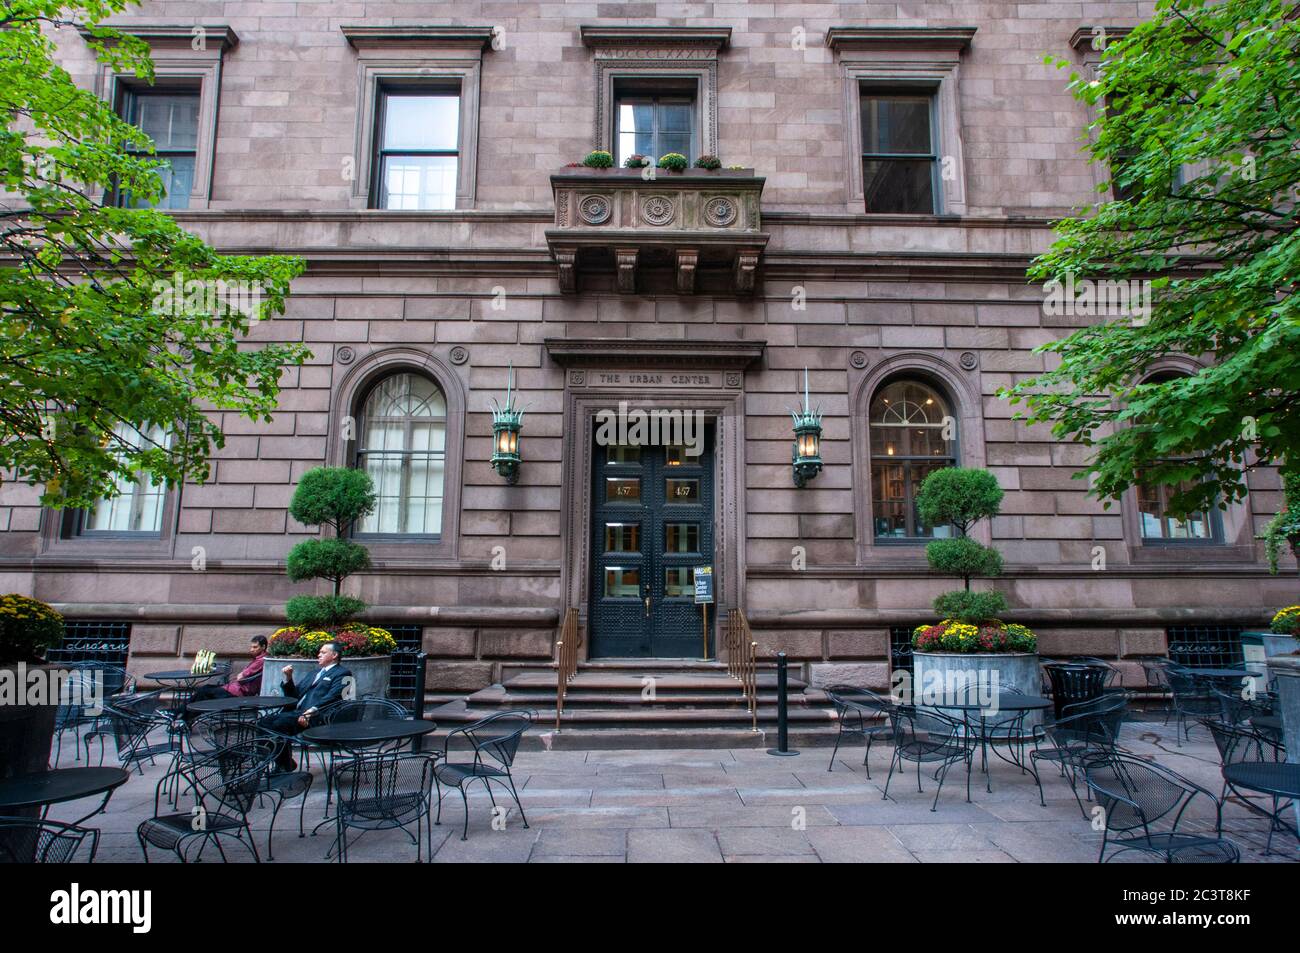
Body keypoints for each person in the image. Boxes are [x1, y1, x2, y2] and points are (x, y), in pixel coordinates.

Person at [258, 641, 353, 771]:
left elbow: (334, 697)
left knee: (278, 725)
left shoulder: (343, 673)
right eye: (319, 652)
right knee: (263, 722)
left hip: (317, 717)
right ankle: (281, 761)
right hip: (298, 713)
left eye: (323, 652)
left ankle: (282, 765)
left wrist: (311, 711)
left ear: (334, 655)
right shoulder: (314, 673)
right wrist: (288, 678)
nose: (319, 655)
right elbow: (294, 695)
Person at [188, 636, 268, 707]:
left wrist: (241, 675)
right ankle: (182, 715)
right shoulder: (258, 659)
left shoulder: (261, 661)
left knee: (203, 692)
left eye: (255, 647)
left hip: (238, 693)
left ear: (263, 647)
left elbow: (240, 677)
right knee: (205, 688)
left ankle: (181, 715)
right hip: (233, 689)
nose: (251, 650)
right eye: (251, 647)